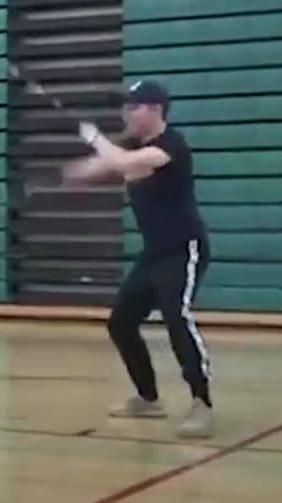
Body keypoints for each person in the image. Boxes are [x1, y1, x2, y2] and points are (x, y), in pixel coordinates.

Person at [63, 79, 213, 439]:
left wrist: (95, 139)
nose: (126, 112)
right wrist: (75, 171)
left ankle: (202, 403)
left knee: (176, 318)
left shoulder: (171, 146)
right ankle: (148, 398)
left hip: (184, 247)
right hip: (153, 252)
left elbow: (124, 161)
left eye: (134, 106)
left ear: (155, 109)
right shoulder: (132, 145)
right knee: (121, 322)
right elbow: (107, 164)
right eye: (124, 106)